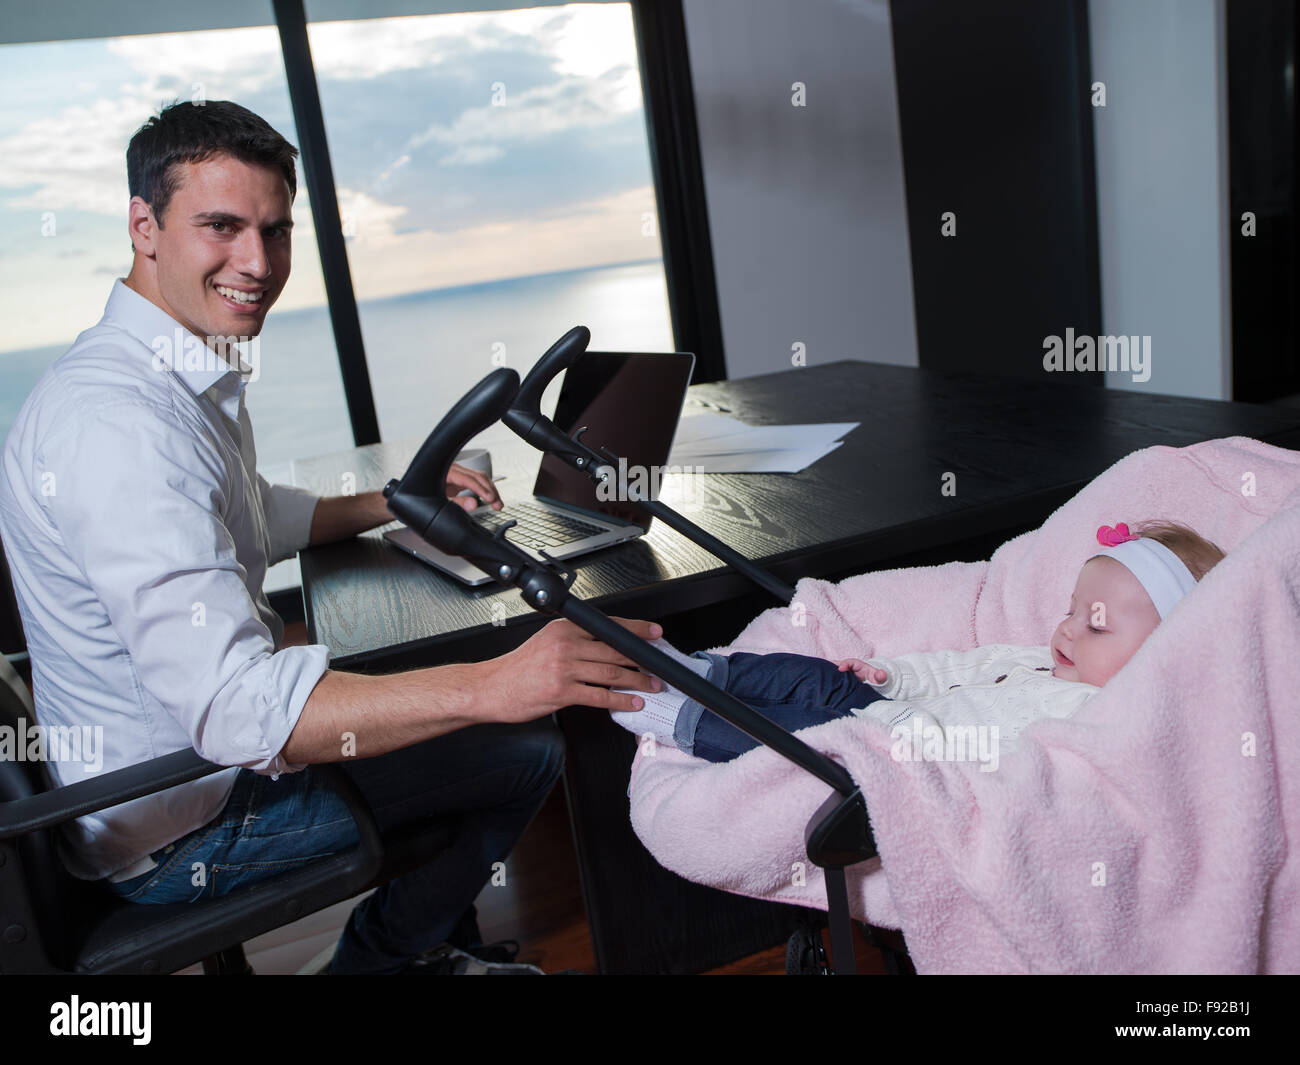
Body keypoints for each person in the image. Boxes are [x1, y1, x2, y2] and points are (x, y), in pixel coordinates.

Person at [0, 100, 663, 974]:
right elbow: (239, 710)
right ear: (143, 224)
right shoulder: (119, 426)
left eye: (275, 231)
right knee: (524, 746)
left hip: (169, 779)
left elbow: (249, 514)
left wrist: (391, 500)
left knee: (427, 694)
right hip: (181, 827)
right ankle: (382, 962)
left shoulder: (160, 369)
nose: (258, 263)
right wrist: (499, 683)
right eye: (222, 226)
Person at [611, 520, 1225, 764]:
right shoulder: (1037, 661)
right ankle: (704, 671)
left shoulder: (1096, 721)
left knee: (796, 735)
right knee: (814, 676)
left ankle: (678, 717)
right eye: (1070, 610)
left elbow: (995, 759)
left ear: (1165, 655)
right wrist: (891, 676)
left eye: (1095, 624)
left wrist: (899, 723)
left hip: (905, 755)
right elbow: (955, 666)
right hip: (891, 709)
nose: (1066, 628)